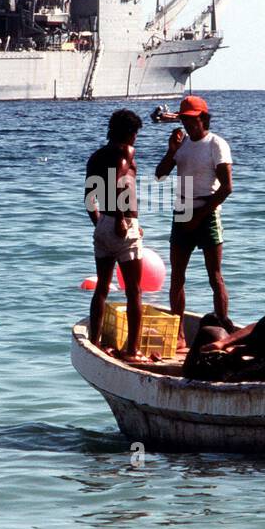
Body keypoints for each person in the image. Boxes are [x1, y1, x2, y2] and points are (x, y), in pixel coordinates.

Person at [155, 94, 233, 346]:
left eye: (192, 119)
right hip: (182, 211)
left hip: (207, 210)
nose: (187, 124)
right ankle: (178, 335)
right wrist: (171, 151)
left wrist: (199, 216)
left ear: (203, 118)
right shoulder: (182, 144)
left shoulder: (216, 144)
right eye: (184, 119)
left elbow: (226, 188)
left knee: (215, 276)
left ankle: (223, 329)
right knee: (177, 276)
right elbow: (159, 175)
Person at [85, 109, 145, 361]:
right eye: (135, 134)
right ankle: (132, 351)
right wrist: (122, 220)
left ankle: (95, 341)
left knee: (102, 287)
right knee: (134, 291)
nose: (135, 140)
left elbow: (89, 198)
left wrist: (104, 224)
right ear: (129, 133)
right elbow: (116, 183)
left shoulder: (96, 156)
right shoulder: (125, 152)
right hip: (122, 225)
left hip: (103, 226)